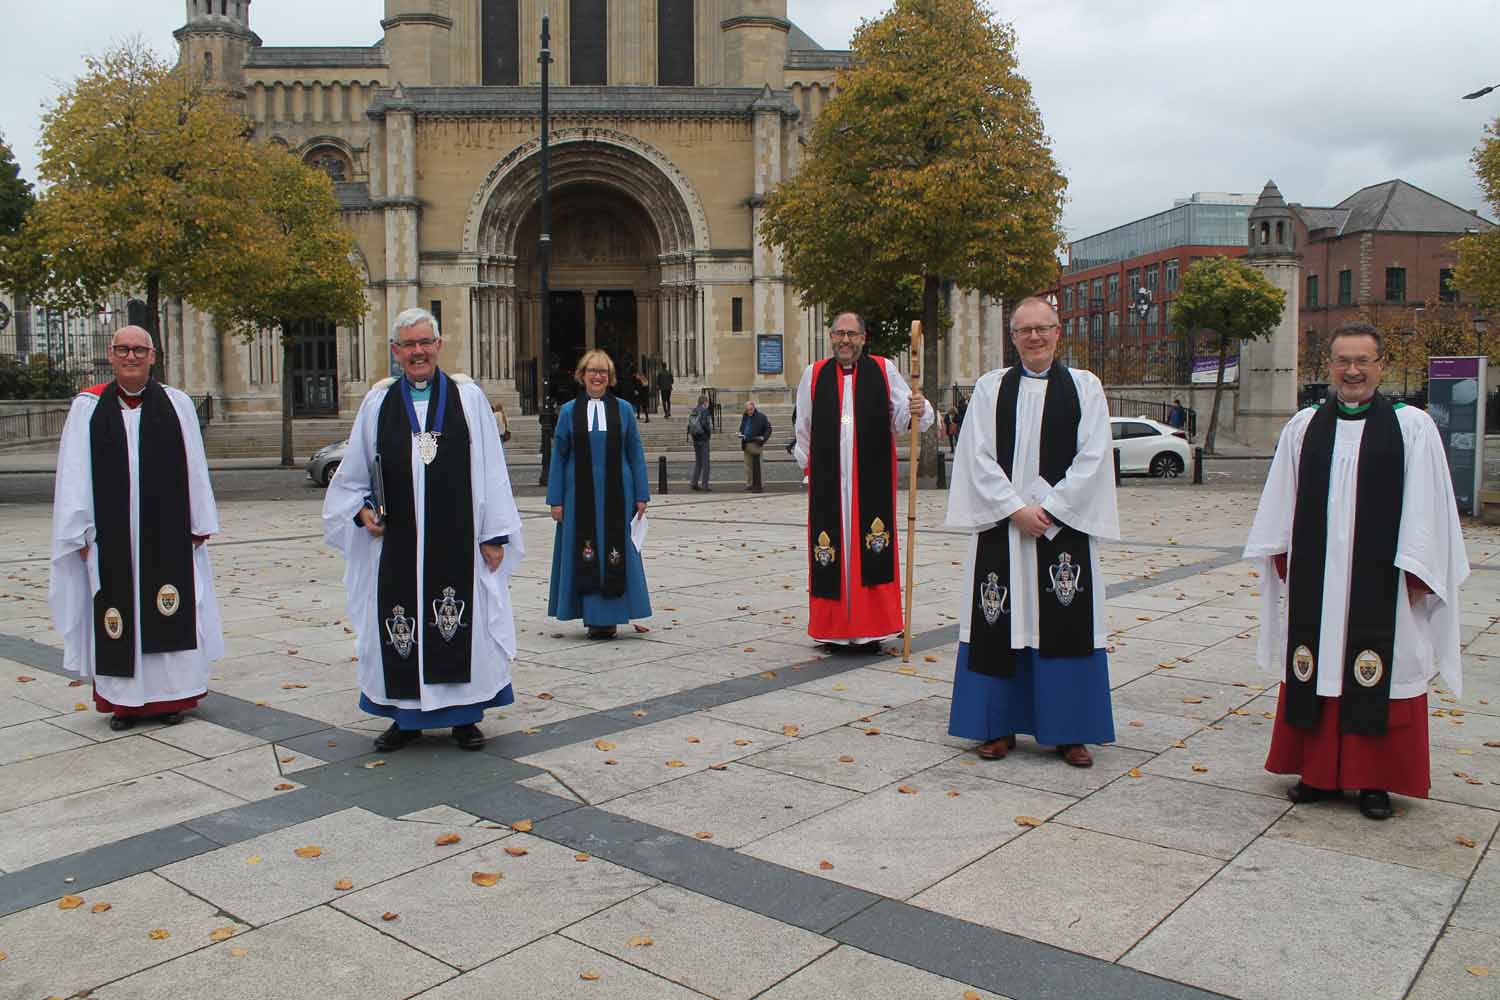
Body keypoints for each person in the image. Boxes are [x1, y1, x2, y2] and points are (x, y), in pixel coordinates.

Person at [1244, 322, 1469, 820]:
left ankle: (1374, 780)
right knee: (1316, 664)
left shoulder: (1412, 427)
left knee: (1383, 670)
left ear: (1380, 366)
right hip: (1318, 581)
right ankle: (1318, 774)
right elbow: (1282, 500)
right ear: (1328, 366)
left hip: (1382, 584)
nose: (1352, 371)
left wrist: (1417, 571)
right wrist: (1282, 560)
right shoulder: (1303, 428)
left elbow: (1429, 507)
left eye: (1363, 361)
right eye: (1343, 361)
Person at [323, 307, 525, 753]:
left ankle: (465, 718)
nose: (417, 352)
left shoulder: (469, 400)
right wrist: (360, 512)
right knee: (399, 626)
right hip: (396, 544)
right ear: (395, 352)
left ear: (439, 346)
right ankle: (405, 718)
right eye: (408, 345)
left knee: (462, 623)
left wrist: (493, 534)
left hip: (458, 542)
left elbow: (492, 471)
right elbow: (352, 476)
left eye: (424, 342)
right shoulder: (377, 405)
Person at [945, 297, 1119, 769]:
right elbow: (976, 455)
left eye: (1044, 328)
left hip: (1062, 529)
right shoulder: (989, 388)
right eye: (1025, 330)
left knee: (1065, 620)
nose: (1035, 337)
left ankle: (1070, 731)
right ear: (1013, 336)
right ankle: (995, 725)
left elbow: (1095, 455)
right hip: (1004, 529)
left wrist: (1053, 508)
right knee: (998, 617)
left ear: (1059, 332)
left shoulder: (1085, 388)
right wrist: (1014, 508)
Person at [49, 325, 224, 731]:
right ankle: (124, 705)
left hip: (168, 538)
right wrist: (79, 532)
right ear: (110, 355)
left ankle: (170, 700)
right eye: (123, 350)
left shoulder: (177, 404)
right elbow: (74, 474)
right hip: (112, 540)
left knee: (170, 607)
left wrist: (199, 522)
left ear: (153, 355)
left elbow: (195, 466)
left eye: (139, 350)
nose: (131, 357)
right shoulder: (88, 408)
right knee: (118, 612)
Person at [794, 311, 933, 652]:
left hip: (870, 481)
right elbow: (804, 428)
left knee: (872, 545)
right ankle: (832, 629)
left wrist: (918, 407)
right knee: (830, 548)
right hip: (828, 482)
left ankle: (872, 628)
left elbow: (904, 418)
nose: (845, 340)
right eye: (839, 334)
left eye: (851, 334)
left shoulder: (884, 370)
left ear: (863, 337)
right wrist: (810, 468)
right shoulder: (814, 375)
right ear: (831, 337)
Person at [548, 350, 652, 639]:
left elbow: (635, 453)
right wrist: (555, 499)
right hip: (578, 496)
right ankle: (591, 615)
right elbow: (560, 455)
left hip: (618, 494)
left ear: (610, 377)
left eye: (603, 371)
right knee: (585, 549)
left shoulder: (624, 410)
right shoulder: (568, 411)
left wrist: (642, 494)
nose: (598, 376)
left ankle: (612, 617)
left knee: (616, 550)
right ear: (582, 375)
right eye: (592, 371)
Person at [738, 400, 773, 493]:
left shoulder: (761, 417)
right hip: (746, 444)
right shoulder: (745, 416)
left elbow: (768, 429)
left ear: (754, 408)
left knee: (758, 466)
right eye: (747, 410)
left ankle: (759, 485)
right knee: (747, 466)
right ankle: (749, 484)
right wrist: (740, 433)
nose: (749, 411)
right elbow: (742, 427)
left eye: (750, 409)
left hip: (756, 443)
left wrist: (763, 438)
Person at [689, 392, 713, 491]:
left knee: (698, 462)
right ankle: (705, 485)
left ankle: (694, 483)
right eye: (707, 402)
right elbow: (705, 424)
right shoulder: (705, 411)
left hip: (695, 438)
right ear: (705, 402)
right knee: (705, 463)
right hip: (703, 438)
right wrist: (708, 433)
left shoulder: (694, 410)